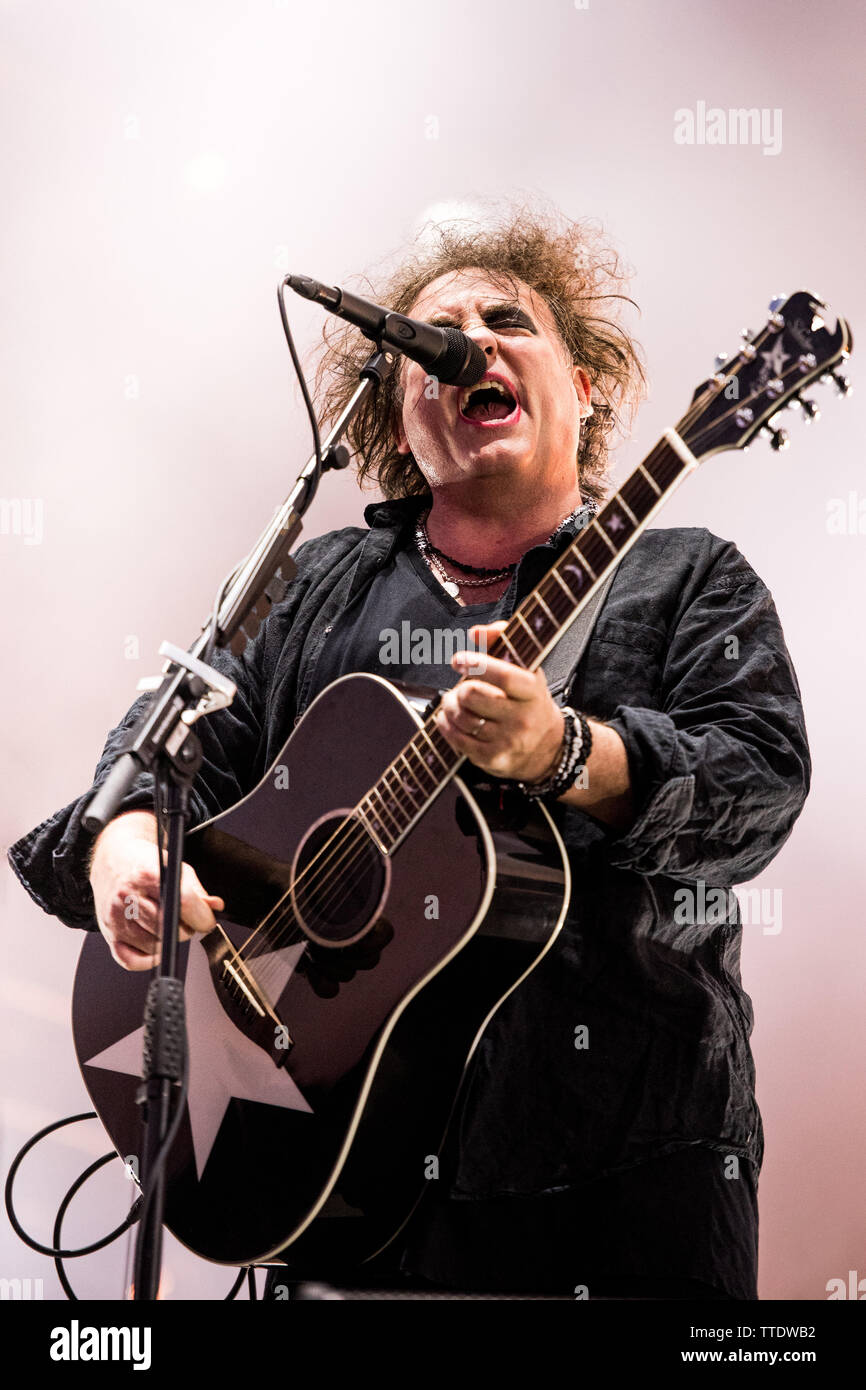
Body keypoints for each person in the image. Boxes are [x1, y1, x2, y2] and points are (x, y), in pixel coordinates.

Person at [7, 206, 811, 1300]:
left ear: (582, 391)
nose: (468, 341)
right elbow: (159, 756)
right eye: (432, 337)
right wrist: (127, 855)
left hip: (618, 1188)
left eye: (505, 319)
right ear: (398, 416)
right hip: (331, 1185)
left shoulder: (684, 578)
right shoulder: (318, 584)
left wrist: (568, 750)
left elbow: (759, 786)